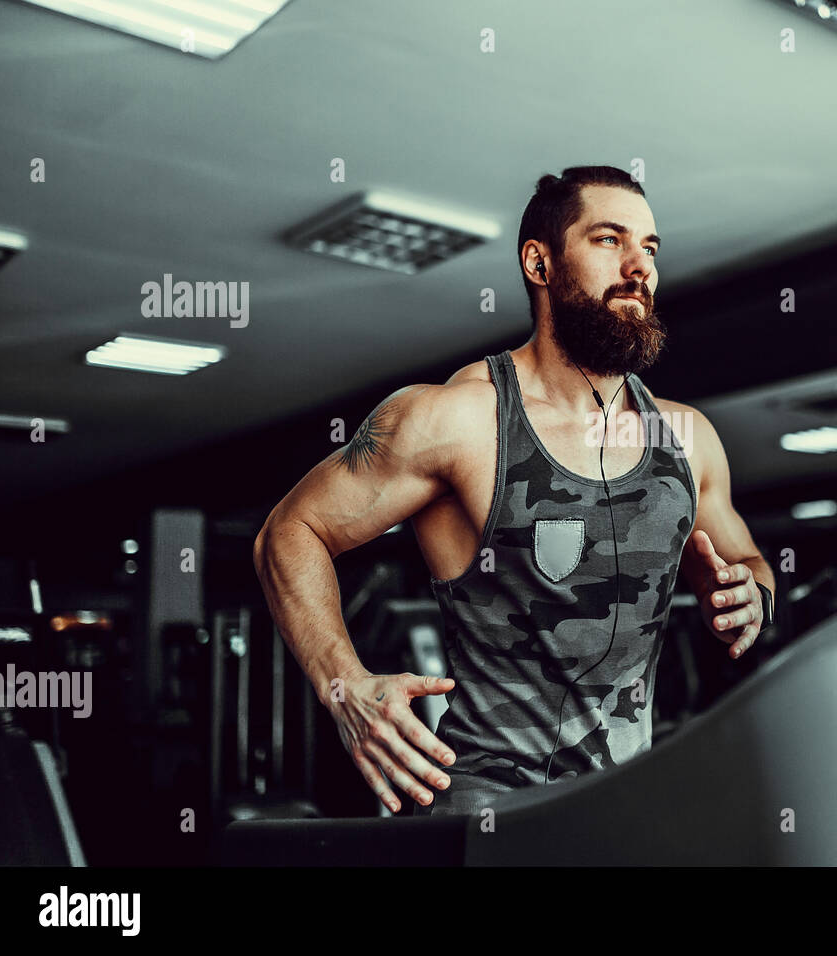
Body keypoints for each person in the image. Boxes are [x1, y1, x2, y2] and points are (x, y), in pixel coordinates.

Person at [254, 165, 775, 817]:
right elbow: (290, 531)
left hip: (629, 804)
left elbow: (753, 565)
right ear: (540, 262)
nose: (639, 266)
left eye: (649, 248)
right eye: (610, 240)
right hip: (494, 809)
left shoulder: (688, 437)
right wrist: (345, 686)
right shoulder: (456, 420)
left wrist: (751, 598)